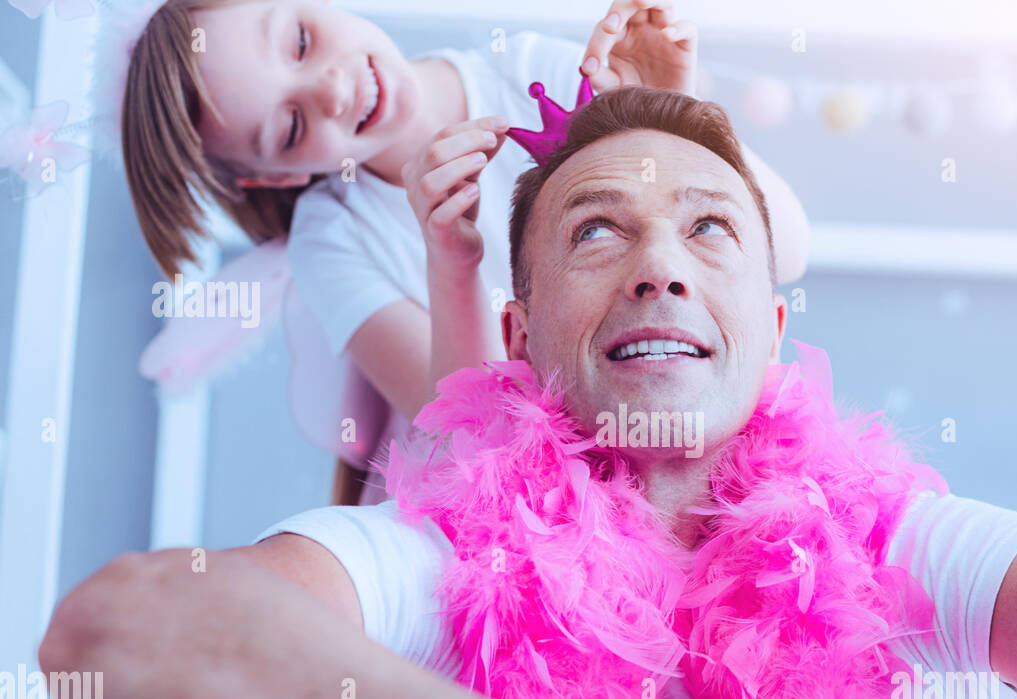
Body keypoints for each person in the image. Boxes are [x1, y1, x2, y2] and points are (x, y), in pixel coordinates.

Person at [45, 85, 1017, 699]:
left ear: (764, 314)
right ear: (524, 333)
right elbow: (125, 631)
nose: (659, 266)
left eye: (708, 228)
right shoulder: (443, 561)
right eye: (596, 230)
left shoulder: (908, 544)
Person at [118, 0, 809, 502]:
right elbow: (477, 444)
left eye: (300, 40)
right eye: (293, 124)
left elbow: (788, 251)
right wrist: (451, 258)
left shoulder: (529, 70)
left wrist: (668, 119)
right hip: (524, 523)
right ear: (276, 177)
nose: (331, 89)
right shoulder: (332, 242)